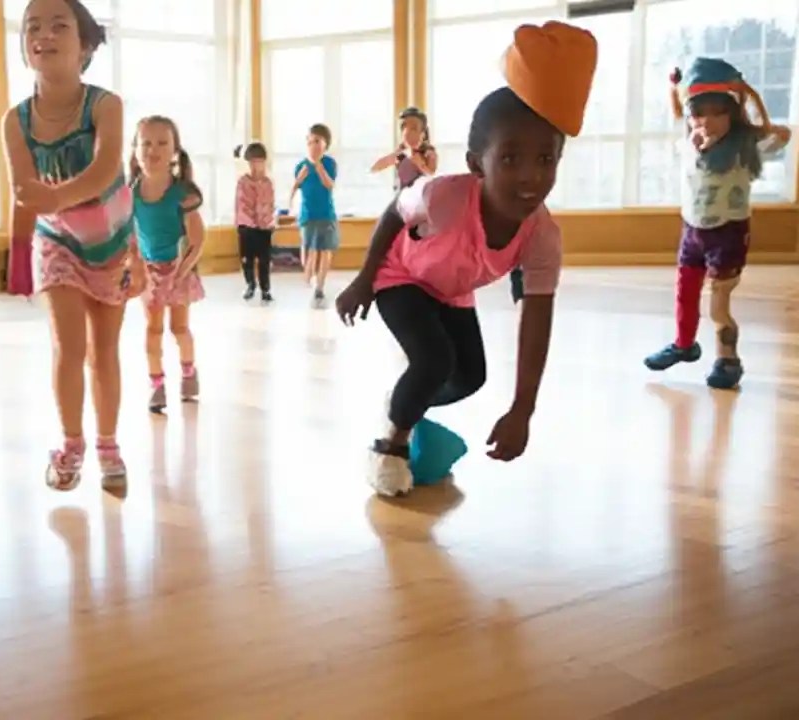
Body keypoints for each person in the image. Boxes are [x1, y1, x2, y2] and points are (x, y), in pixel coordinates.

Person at [334, 21, 597, 497]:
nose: (530, 177)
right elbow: (394, 212)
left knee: (469, 376)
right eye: (511, 158)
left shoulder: (542, 236)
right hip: (402, 274)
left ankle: (402, 406)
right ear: (479, 164)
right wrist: (363, 279)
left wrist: (523, 410)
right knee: (434, 359)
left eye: (546, 159)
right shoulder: (443, 197)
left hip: (451, 292)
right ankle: (389, 442)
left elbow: (536, 319)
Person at [2, 0, 146, 491]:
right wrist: (19, 251)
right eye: (32, 27)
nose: (44, 34)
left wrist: (55, 195)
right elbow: (25, 190)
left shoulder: (106, 105)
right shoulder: (14, 121)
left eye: (58, 25)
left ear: (84, 46)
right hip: (56, 239)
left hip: (112, 243)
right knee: (68, 344)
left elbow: (107, 169)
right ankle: (71, 443)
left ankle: (108, 443)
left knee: (103, 351)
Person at [642, 58, 791, 390]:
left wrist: (748, 97)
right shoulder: (688, 140)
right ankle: (684, 345)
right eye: (699, 113)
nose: (705, 121)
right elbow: (678, 115)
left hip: (728, 233)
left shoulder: (743, 146)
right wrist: (673, 88)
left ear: (731, 113)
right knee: (685, 292)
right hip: (693, 231)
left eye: (716, 111)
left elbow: (782, 136)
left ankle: (728, 359)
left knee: (718, 305)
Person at [130, 115, 206, 413]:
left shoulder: (182, 193)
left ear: (175, 151)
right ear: (135, 150)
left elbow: (197, 240)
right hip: (148, 272)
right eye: (146, 143)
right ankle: (156, 384)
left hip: (178, 269)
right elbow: (129, 234)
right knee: (152, 330)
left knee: (179, 327)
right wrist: (134, 265)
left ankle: (188, 371)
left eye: (162, 143)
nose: (153, 150)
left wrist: (180, 274)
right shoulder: (131, 193)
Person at [288, 123, 338, 307]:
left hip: (326, 214)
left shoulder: (329, 163)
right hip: (307, 215)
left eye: (317, 141)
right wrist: (298, 181)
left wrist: (318, 166)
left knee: (325, 250)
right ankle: (309, 277)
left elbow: (330, 184)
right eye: (310, 141)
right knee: (309, 250)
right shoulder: (301, 166)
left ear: (325, 144)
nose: (313, 145)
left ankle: (320, 287)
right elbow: (293, 190)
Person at [234, 141, 276, 302]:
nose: (254, 166)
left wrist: (266, 222)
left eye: (258, 162)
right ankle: (250, 284)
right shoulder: (243, 182)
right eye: (251, 162)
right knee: (247, 259)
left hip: (264, 226)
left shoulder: (268, 183)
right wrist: (250, 221)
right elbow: (242, 204)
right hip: (247, 226)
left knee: (265, 260)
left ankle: (266, 289)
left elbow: (269, 204)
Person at [370, 107, 438, 191]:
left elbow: (433, 177)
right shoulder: (401, 155)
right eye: (404, 128)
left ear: (423, 133)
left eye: (413, 129)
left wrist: (421, 165)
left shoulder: (429, 153)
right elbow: (375, 168)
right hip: (403, 196)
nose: (408, 133)